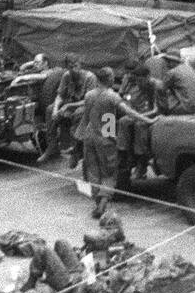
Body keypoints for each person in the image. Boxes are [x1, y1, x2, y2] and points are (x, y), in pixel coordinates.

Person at [80, 67, 155, 218]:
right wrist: (149, 119)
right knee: (109, 172)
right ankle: (102, 204)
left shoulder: (89, 95)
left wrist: (80, 137)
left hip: (89, 136)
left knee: (93, 172)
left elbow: (85, 118)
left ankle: (97, 204)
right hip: (105, 136)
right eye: (112, 77)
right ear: (108, 79)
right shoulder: (111, 96)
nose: (114, 79)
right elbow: (129, 112)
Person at [38, 56, 91, 165]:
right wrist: (56, 109)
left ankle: (76, 150)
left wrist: (68, 106)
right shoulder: (66, 76)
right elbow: (60, 95)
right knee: (49, 109)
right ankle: (52, 145)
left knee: (78, 113)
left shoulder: (89, 77)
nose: (74, 69)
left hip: (84, 106)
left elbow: (88, 101)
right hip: (71, 104)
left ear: (80, 65)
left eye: (76, 66)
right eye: (71, 67)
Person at [117, 60, 158, 181]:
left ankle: (141, 162)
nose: (138, 84)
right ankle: (122, 153)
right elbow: (123, 96)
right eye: (137, 80)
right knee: (123, 121)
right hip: (137, 112)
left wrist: (139, 115)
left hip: (148, 113)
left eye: (140, 80)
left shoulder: (153, 86)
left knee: (139, 125)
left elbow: (156, 108)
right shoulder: (129, 81)